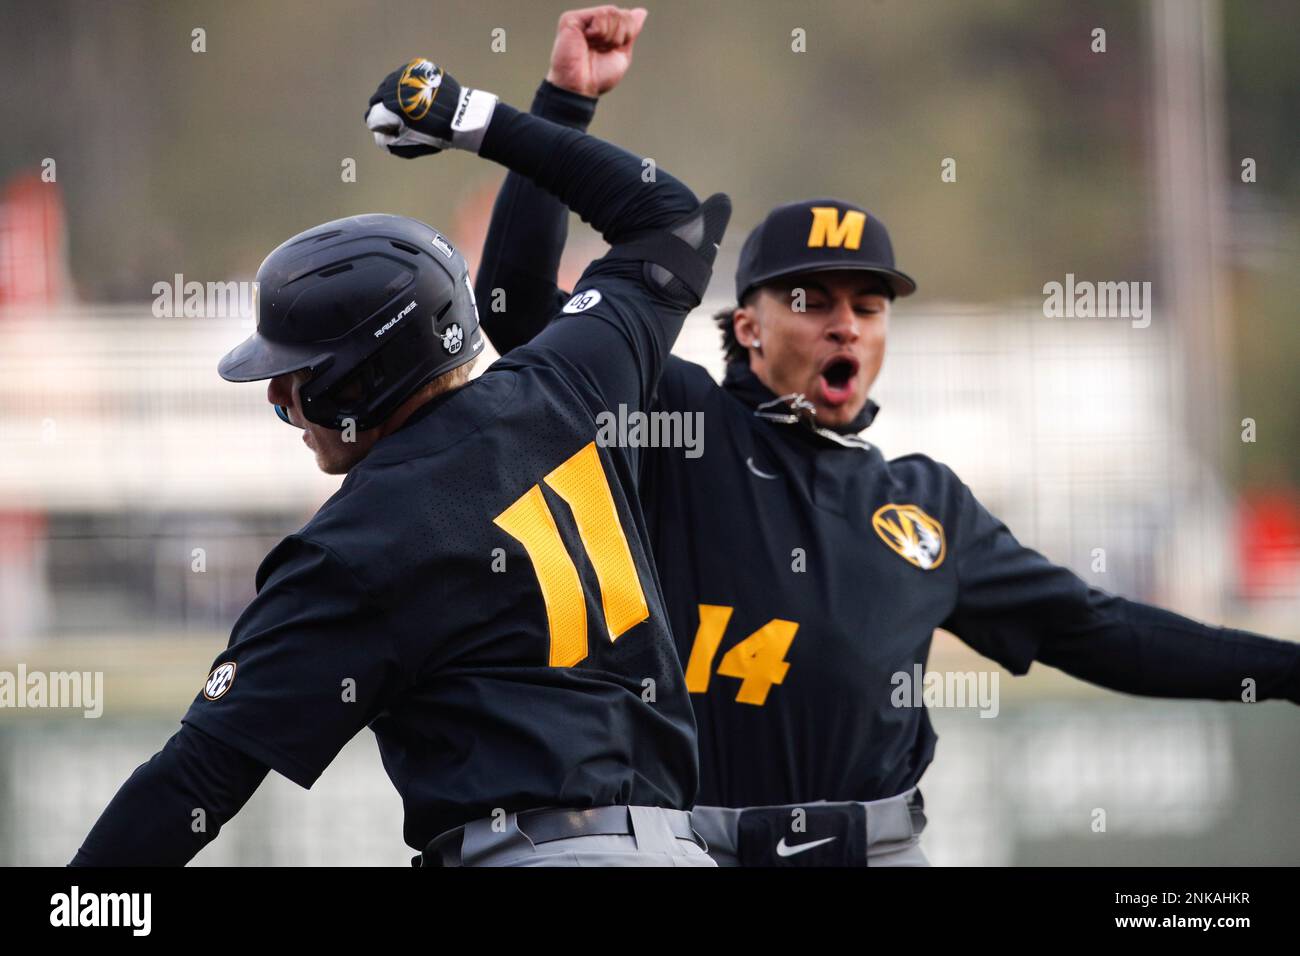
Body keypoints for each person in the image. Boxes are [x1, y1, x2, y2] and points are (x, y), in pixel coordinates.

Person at [476, 5, 1300, 866]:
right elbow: (513, 305)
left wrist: (1285, 670)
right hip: (694, 851)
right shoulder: (674, 425)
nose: (846, 327)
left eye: (867, 307)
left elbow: (1102, 633)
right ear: (746, 325)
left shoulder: (923, 503)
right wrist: (564, 103)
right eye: (811, 301)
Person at [70, 48, 730, 866]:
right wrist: (485, 118)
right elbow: (672, 217)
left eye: (295, 380)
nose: (282, 404)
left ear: (365, 377)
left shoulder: (358, 540)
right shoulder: (569, 383)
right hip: (681, 849)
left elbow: (198, 778)